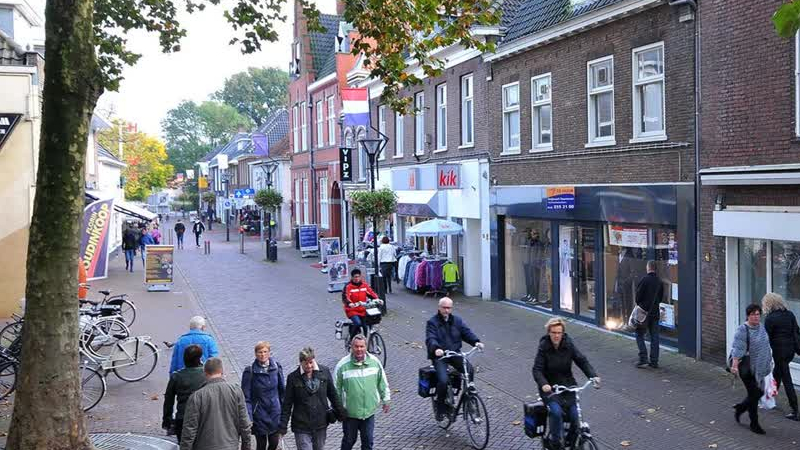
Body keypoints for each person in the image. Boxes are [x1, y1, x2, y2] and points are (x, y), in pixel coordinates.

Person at [532, 318, 599, 450]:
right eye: (554, 332)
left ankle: (572, 442)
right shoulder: (544, 347)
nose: (556, 335)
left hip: (568, 386)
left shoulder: (568, 344)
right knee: (556, 413)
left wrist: (593, 376)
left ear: (563, 333)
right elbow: (537, 370)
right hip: (550, 389)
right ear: (549, 333)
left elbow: (581, 360)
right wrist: (544, 384)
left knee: (575, 416)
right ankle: (556, 444)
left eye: (559, 332)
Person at [425, 297, 484, 421]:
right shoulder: (432, 322)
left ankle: (468, 393)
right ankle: (440, 407)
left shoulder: (457, 321)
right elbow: (430, 338)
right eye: (444, 308)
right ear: (439, 307)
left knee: (469, 369)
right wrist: (436, 349)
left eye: (449, 308)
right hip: (440, 357)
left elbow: (466, 333)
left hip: (454, 354)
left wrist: (476, 342)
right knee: (443, 381)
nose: (447, 310)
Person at [279, 347, 345, 450]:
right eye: (306, 363)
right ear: (301, 362)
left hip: (320, 424)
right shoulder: (293, 378)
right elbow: (287, 404)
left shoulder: (324, 372)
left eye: (311, 362)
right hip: (301, 425)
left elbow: (333, 395)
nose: (309, 366)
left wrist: (341, 413)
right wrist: (283, 426)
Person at [180, 358, 251, 450]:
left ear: (205, 372)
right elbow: (244, 423)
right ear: (222, 371)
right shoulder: (236, 391)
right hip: (230, 445)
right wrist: (246, 446)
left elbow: (189, 430)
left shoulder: (197, 397)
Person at [334, 334, 390, 450]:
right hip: (350, 414)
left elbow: (382, 382)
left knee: (368, 442)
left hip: (368, 413)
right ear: (351, 347)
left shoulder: (375, 362)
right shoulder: (342, 366)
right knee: (349, 442)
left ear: (366, 347)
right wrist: (338, 409)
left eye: (362, 346)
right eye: (356, 346)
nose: (359, 349)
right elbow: (336, 389)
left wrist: (386, 399)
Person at [730, 304, 772, 435]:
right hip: (746, 368)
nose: (756, 317)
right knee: (755, 395)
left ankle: (741, 407)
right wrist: (734, 366)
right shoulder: (742, 330)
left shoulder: (762, 327)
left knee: (757, 393)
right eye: (753, 314)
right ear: (748, 316)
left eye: (758, 314)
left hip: (759, 367)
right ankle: (754, 423)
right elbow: (737, 349)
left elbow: (765, 346)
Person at [241, 342, 285, 450]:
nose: (263, 355)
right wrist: (249, 417)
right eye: (260, 352)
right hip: (259, 414)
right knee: (261, 445)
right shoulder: (250, 371)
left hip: (275, 412)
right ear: (255, 354)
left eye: (265, 352)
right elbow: (246, 397)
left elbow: (282, 391)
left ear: (269, 353)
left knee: (274, 443)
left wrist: (283, 411)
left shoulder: (277, 368)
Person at [763, 292, 799, 421]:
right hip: (790, 351)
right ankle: (769, 400)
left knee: (787, 380)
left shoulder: (770, 319)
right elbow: (796, 331)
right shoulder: (789, 315)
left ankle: (795, 410)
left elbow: (766, 338)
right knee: (776, 374)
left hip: (779, 352)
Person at [163, 345, 206, 443]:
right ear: (199, 359)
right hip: (203, 419)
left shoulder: (176, 376)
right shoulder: (206, 375)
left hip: (183, 419)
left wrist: (167, 420)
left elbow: (168, 400)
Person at [634, 260, 664, 369]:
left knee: (639, 334)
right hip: (655, 313)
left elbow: (638, 298)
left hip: (643, 313)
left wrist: (641, 304)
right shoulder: (659, 281)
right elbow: (660, 298)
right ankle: (654, 361)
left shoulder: (644, 280)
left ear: (648, 268)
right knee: (654, 337)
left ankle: (643, 358)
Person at [343, 269, 378, 340]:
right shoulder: (348, 286)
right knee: (358, 323)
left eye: (358, 277)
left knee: (365, 326)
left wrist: (377, 299)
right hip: (352, 310)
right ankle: (351, 340)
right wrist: (350, 303)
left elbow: (371, 293)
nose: (357, 279)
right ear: (352, 277)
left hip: (363, 309)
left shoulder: (364, 285)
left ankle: (364, 342)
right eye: (355, 277)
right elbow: (346, 297)